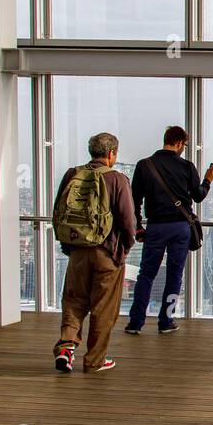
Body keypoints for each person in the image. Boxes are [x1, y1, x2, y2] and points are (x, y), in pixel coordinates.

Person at [52, 133, 137, 374]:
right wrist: (124, 248)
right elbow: (128, 220)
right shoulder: (117, 179)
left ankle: (66, 348)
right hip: (107, 252)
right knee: (103, 307)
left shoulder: (72, 174)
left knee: (73, 300)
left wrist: (68, 244)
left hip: (78, 250)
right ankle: (94, 360)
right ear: (111, 154)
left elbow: (58, 211)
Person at [125, 126, 213, 335]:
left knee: (146, 275)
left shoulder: (144, 165)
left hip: (155, 226)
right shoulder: (186, 166)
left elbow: (134, 200)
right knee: (174, 275)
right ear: (180, 143)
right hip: (180, 228)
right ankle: (166, 321)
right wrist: (208, 180)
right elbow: (199, 195)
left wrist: (138, 227)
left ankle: (135, 322)